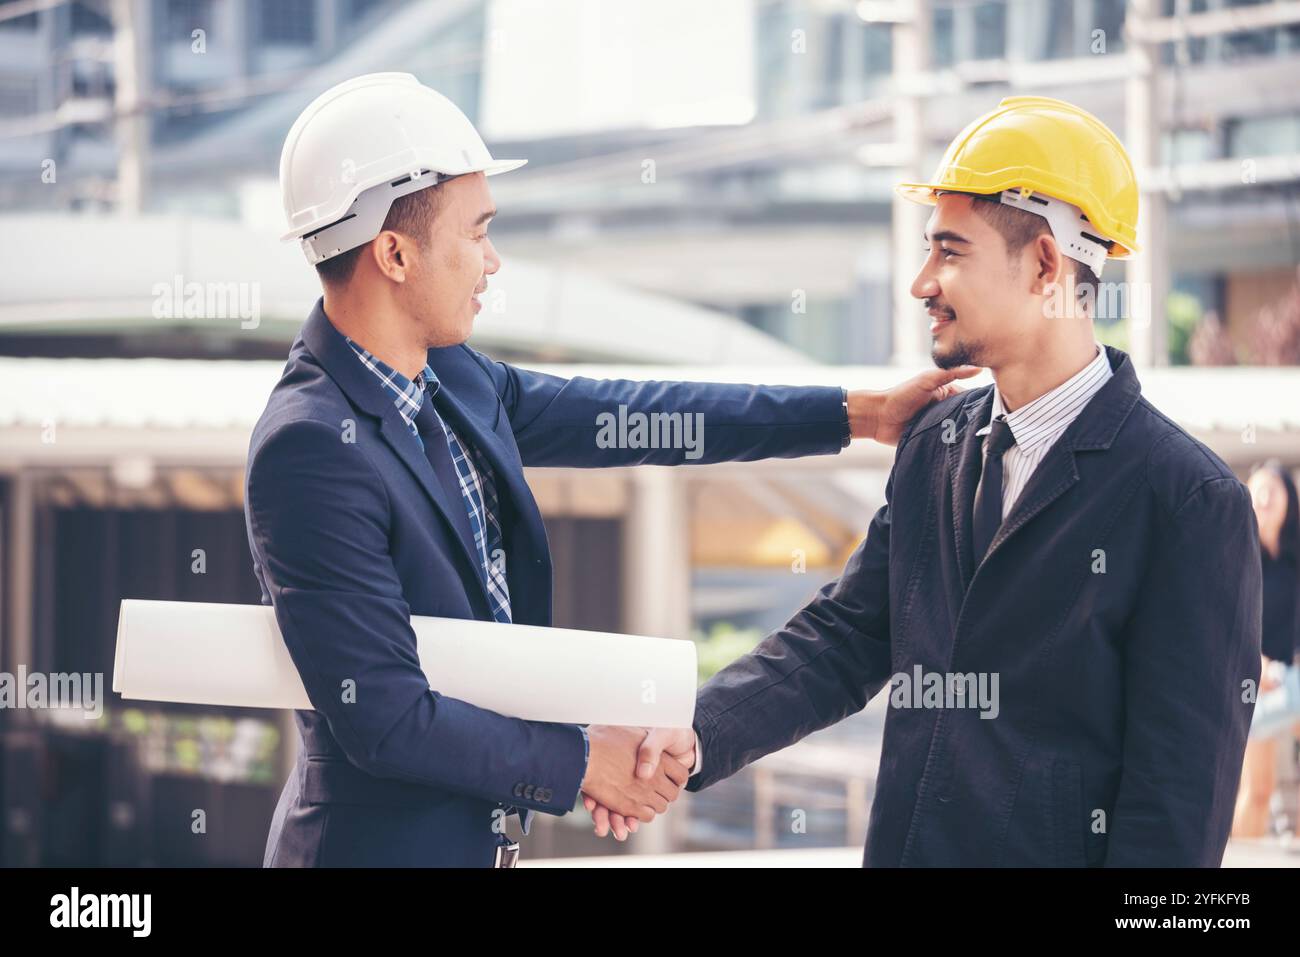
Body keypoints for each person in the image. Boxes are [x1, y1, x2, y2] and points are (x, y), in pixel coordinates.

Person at [247, 72, 977, 866]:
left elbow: (636, 413)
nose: (492, 261)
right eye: (476, 232)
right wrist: (582, 761)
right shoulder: (311, 447)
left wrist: (853, 414)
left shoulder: (451, 379)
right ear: (393, 252)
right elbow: (382, 716)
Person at [626, 95, 1262, 866]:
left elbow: (1176, 813)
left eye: (950, 251)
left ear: (1045, 265)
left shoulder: (1186, 501)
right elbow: (848, 636)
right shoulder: (936, 443)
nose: (922, 282)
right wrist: (697, 730)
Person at [1232, 461, 1300, 838]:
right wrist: (1255, 664)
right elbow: (1220, 621)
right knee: (1258, 790)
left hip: (1296, 679)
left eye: (1274, 488)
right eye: (1258, 488)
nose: (1265, 496)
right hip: (1255, 685)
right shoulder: (1234, 555)